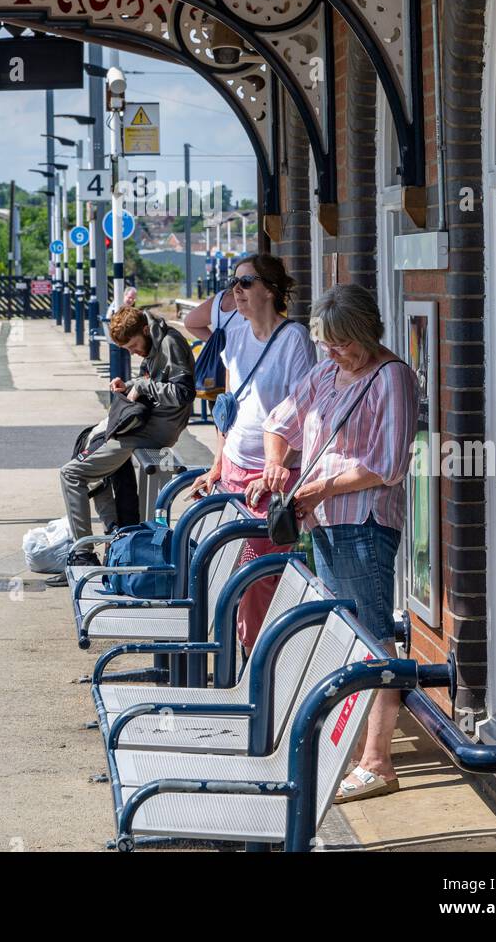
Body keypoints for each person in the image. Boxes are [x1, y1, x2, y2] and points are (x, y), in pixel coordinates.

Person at [260, 282, 419, 802]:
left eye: (343, 343)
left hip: (362, 522)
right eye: (327, 343)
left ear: (367, 333)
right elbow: (279, 421)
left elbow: (388, 465)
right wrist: (273, 464)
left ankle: (377, 761)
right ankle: (354, 751)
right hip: (323, 519)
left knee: (372, 638)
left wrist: (319, 486)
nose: (334, 352)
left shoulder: (391, 378)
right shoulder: (327, 369)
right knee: (348, 634)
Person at [183, 254, 316, 651]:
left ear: (271, 290)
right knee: (224, 565)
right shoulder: (236, 334)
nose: (235, 291)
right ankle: (244, 656)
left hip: (273, 477)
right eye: (233, 283)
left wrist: (279, 468)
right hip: (235, 470)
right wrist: (216, 465)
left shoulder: (295, 340)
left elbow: (306, 417)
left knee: (256, 572)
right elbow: (230, 408)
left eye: (245, 283)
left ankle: (261, 664)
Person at [60, 305, 196, 563]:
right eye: (128, 350)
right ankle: (115, 532)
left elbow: (183, 393)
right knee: (88, 442)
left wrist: (142, 385)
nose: (134, 353)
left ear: (145, 330)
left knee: (71, 473)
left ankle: (83, 554)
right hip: (147, 422)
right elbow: (155, 382)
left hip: (155, 428)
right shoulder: (155, 340)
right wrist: (130, 385)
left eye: (133, 346)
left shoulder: (169, 343)